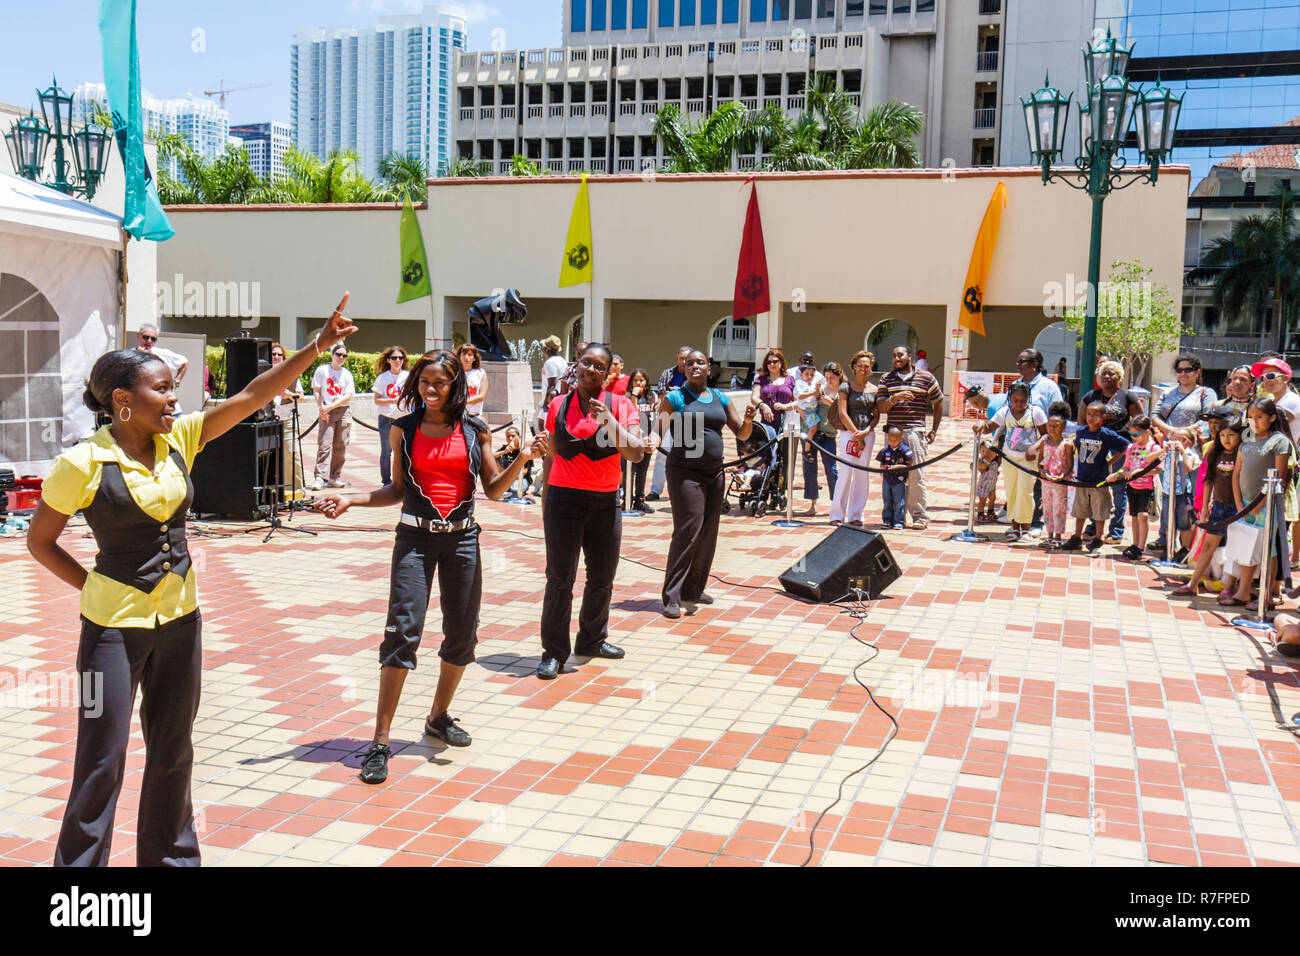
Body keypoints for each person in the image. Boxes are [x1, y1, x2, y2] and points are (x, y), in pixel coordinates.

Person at [26, 294, 355, 866]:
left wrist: (316, 347)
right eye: (161, 390)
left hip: (181, 623)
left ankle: (171, 862)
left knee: (174, 752)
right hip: (111, 630)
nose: (173, 398)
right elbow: (39, 541)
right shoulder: (83, 462)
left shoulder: (177, 440)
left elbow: (254, 396)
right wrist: (92, 587)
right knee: (101, 762)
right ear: (123, 401)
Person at [314, 350, 547, 783]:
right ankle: (380, 741)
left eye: (439, 383)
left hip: (462, 540)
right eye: (424, 382)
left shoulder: (475, 429)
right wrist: (352, 498)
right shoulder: (403, 430)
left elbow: (494, 491)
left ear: (455, 384)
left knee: (462, 634)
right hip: (415, 540)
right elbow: (396, 490)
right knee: (403, 631)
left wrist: (525, 458)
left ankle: (438, 716)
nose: (430, 390)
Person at [538, 344, 645, 679]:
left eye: (600, 366)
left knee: (602, 577)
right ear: (577, 365)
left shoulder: (621, 405)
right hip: (563, 501)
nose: (591, 370)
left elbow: (636, 453)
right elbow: (551, 455)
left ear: (609, 371)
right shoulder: (558, 405)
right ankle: (554, 652)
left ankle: (592, 639)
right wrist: (544, 501)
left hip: (604, 502)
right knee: (559, 578)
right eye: (586, 363)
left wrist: (609, 420)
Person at [658, 349, 756, 618]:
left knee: (708, 532)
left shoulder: (720, 398)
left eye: (700, 362)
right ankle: (671, 595)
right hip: (684, 472)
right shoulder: (675, 397)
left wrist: (748, 420)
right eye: (690, 363)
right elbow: (659, 432)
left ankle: (693, 588)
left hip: (714, 473)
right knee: (688, 530)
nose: (695, 366)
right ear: (684, 369)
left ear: (709, 369)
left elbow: (742, 433)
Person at [1221, 397, 1292, 610]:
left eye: (1259, 417)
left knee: (1268, 550)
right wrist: (1238, 502)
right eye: (1251, 417)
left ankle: (1267, 594)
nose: (1254, 421)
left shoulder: (1280, 441)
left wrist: (1263, 502)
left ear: (1271, 418)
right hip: (1245, 503)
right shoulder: (1246, 441)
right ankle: (1243, 592)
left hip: (1267, 504)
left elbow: (1281, 477)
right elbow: (1236, 474)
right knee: (1247, 545)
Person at [876, 346, 943, 530]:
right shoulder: (886, 379)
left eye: (900, 355)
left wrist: (934, 430)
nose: (897, 358)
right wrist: (894, 398)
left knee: (915, 475)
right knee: (891, 475)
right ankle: (894, 517)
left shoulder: (925, 377)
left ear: (909, 356)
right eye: (894, 355)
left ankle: (920, 516)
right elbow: (881, 406)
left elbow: (938, 401)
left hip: (915, 431)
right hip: (892, 434)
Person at [1079, 359, 1143, 543]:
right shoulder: (1091, 396)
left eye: (1111, 373)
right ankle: (1092, 527)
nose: (1107, 376)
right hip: (1095, 447)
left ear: (1119, 377)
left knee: (1118, 489)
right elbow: (1082, 421)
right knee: (1095, 488)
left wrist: (1135, 443)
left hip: (1120, 448)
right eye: (1104, 373)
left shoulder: (1127, 396)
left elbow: (1139, 420)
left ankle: (1116, 531)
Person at [1178, 420, 1243, 596]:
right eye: (1222, 435)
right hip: (1219, 506)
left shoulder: (1242, 453)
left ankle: (1230, 586)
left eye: (1231, 435)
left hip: (1239, 508)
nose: (1226, 439)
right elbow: (1208, 481)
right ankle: (1193, 584)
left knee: (1236, 549)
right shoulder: (1214, 453)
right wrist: (1205, 506)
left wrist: (1240, 507)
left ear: (1240, 435)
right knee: (1208, 546)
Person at [976, 382, 1046, 541]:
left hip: (1028, 460)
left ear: (1028, 399)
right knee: (1012, 492)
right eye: (1015, 400)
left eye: (1023, 400)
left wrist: (1035, 448)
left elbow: (1046, 435)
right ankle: (1014, 526)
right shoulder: (1005, 412)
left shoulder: (1036, 412)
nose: (1019, 404)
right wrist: (980, 425)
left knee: (1025, 492)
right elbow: (989, 426)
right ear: (1010, 399)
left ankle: (1026, 527)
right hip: (1009, 458)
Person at [1061, 401, 1130, 552]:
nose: (1091, 418)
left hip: (1099, 480)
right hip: (1083, 478)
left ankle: (1098, 538)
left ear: (1103, 417)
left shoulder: (1105, 434)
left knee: (1100, 511)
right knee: (1080, 510)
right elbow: (1076, 448)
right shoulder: (1081, 432)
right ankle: (1076, 537)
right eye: (1089, 414)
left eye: (1095, 415)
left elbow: (1126, 446)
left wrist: (1110, 462)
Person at [828, 351, 878, 526]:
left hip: (868, 435)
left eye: (867, 365)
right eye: (860, 365)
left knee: (862, 474)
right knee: (845, 472)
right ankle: (836, 514)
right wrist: (857, 434)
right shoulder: (846, 387)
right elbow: (842, 413)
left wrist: (866, 432)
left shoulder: (874, 389)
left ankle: (856, 514)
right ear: (854, 367)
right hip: (849, 434)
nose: (863, 368)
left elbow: (876, 416)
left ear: (871, 367)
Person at [1106, 415, 1162, 561]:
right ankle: (1135, 544)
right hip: (1132, 486)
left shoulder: (1154, 448)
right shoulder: (1131, 447)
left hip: (1147, 486)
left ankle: (1140, 546)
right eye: (1131, 434)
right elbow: (1126, 467)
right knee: (1135, 517)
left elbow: (1157, 469)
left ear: (1147, 432)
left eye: (1136, 434)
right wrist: (1118, 475)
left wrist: (1139, 472)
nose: (1134, 437)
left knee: (1143, 516)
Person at [647, 346, 692, 501]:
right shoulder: (668, 373)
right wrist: (671, 393)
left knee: (686, 455)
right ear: (677, 359)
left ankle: (684, 490)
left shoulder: (693, 374)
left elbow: (691, 395)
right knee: (662, 454)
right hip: (666, 416)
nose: (684, 361)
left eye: (687, 358)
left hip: (685, 419)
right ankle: (655, 490)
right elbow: (660, 393)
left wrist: (675, 391)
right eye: (682, 358)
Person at [311, 343, 355, 490]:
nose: (341, 357)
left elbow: (348, 395)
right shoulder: (322, 370)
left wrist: (332, 406)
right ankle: (319, 477)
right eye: (338, 354)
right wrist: (322, 408)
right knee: (325, 444)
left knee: (341, 446)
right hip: (326, 411)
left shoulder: (347, 374)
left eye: (344, 355)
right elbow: (317, 390)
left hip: (343, 411)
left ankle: (334, 476)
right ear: (332, 355)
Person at [803, 362, 843, 519]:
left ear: (839, 376)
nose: (829, 380)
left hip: (829, 435)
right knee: (810, 468)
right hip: (813, 432)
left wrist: (831, 403)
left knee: (831, 469)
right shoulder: (820, 388)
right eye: (826, 377)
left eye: (832, 377)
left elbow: (845, 413)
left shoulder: (843, 390)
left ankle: (837, 503)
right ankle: (812, 504)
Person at [1027, 413, 1073, 548]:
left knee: (1059, 509)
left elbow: (1069, 465)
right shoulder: (1044, 442)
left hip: (1060, 482)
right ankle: (1050, 535)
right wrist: (1042, 472)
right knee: (1047, 508)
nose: (1052, 428)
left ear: (1063, 427)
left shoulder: (1067, 444)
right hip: (1046, 482)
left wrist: (1062, 476)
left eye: (1056, 426)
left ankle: (1058, 537)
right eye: (1049, 425)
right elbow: (1040, 461)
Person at [270, 342, 307, 490]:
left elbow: (301, 397)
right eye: (273, 354)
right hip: (268, 420)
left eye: (279, 355)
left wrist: (289, 395)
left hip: (287, 420)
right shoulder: (262, 374)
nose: (276, 357)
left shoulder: (291, 374)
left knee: (292, 455)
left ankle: (296, 491)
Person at [373, 346, 410, 485]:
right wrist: (393, 400)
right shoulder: (383, 378)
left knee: (404, 451)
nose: (397, 361)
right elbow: (377, 400)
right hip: (386, 418)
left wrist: (407, 400)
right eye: (394, 358)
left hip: (404, 418)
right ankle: (386, 481)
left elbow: (414, 397)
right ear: (388, 360)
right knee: (386, 451)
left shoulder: (408, 376)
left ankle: (403, 480)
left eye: (400, 358)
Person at [136, 324, 188, 413]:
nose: (149, 341)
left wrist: (177, 381)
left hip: (169, 411)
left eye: (153, 339)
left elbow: (184, 362)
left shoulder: (161, 353)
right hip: (146, 412)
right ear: (138, 336)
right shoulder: (130, 356)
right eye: (146, 337)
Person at [626, 369, 656, 512]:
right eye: (635, 380)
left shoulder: (652, 396)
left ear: (646, 382)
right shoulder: (627, 397)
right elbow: (633, 414)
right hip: (632, 440)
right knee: (630, 471)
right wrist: (634, 396)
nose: (638, 383)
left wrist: (654, 438)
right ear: (631, 382)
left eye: (641, 380)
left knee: (643, 471)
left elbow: (656, 416)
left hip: (647, 439)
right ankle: (626, 500)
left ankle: (640, 500)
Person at [752, 349, 799, 431]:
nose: (772, 364)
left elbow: (798, 402)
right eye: (769, 362)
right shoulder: (760, 379)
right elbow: (754, 398)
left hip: (787, 424)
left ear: (781, 362)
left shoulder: (790, 380)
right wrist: (764, 406)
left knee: (786, 444)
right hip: (767, 424)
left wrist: (784, 406)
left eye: (775, 361)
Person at [876, 426, 913, 529]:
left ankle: (898, 521)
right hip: (887, 480)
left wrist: (897, 467)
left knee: (899, 502)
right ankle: (887, 520)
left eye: (895, 440)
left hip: (899, 480)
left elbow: (909, 464)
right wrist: (884, 467)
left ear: (901, 439)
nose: (892, 443)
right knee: (887, 501)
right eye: (890, 440)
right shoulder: (885, 450)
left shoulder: (905, 450)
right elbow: (881, 464)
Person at [496, 426, 536, 500]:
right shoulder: (504, 449)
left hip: (521, 479)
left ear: (519, 436)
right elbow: (490, 457)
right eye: (508, 437)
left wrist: (509, 478)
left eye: (513, 436)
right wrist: (503, 452)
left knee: (514, 492)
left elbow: (525, 471)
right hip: (506, 479)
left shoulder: (525, 450)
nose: (511, 439)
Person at [538, 335, 567, 429]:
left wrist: (545, 404)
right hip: (558, 400)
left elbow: (552, 385)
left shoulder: (550, 363)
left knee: (542, 427)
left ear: (547, 350)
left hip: (551, 402)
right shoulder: (562, 361)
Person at [458, 344, 487, 418]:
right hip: (457, 415)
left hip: (475, 416)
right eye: (464, 354)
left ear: (474, 358)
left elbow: (481, 396)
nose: (466, 357)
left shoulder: (481, 373)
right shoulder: (455, 374)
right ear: (459, 356)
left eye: (470, 355)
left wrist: (463, 402)